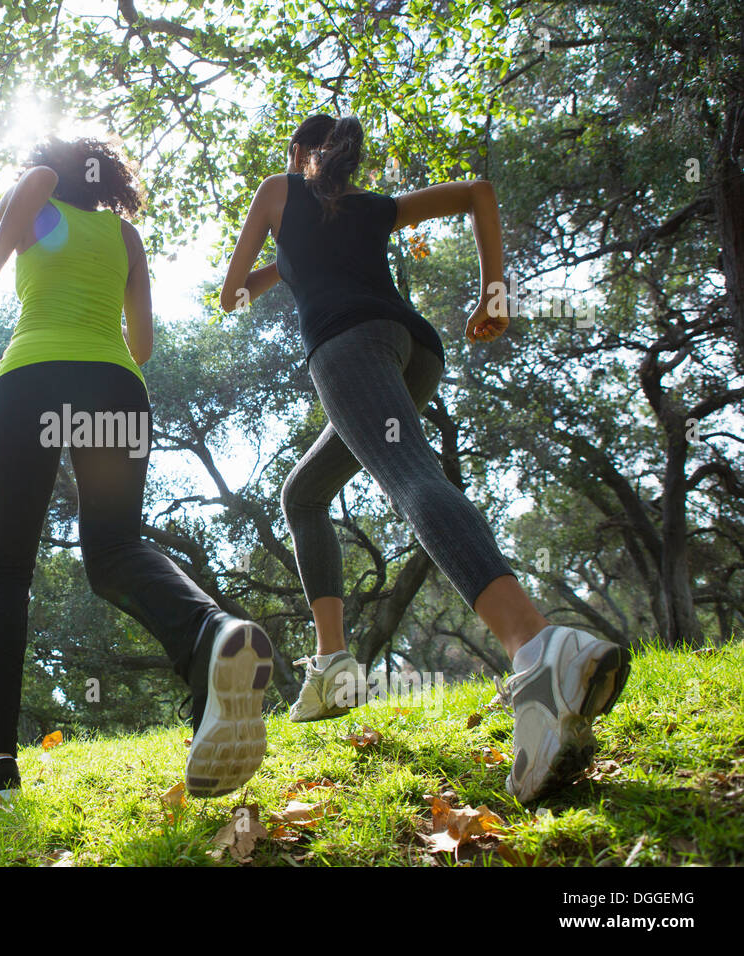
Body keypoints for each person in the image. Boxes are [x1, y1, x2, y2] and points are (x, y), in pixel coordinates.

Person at [219, 114, 631, 802]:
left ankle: (535, 647)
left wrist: (263, 272)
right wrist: (493, 293)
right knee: (304, 494)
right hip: (414, 349)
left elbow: (231, 294)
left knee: (409, 476)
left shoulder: (275, 191)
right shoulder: (368, 207)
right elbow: (479, 193)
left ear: (298, 156)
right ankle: (334, 665)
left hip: (347, 347)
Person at [0, 136, 273, 802]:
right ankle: (210, 633)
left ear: (54, 168)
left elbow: (11, 226)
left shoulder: (37, 183)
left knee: (9, 566)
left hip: (34, 377)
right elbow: (144, 344)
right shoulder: (126, 237)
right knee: (116, 551)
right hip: (116, 385)